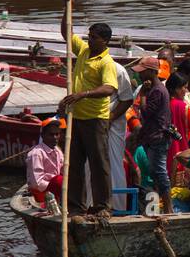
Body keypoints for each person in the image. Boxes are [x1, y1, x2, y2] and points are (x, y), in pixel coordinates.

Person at [58, 17, 118, 215]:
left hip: (95, 120)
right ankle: (76, 207)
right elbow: (66, 32)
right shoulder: (84, 51)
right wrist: (67, 6)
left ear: (104, 41)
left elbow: (109, 88)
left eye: (93, 37)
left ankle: (102, 206)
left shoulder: (106, 62)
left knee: (99, 165)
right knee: (74, 164)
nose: (89, 40)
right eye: (89, 36)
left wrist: (82, 94)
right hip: (76, 118)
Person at [84, 55, 136, 213]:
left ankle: (116, 208)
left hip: (112, 124)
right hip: (90, 122)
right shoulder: (86, 68)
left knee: (113, 164)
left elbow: (127, 99)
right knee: (89, 164)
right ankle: (89, 206)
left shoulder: (118, 70)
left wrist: (110, 118)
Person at [128, 56, 172, 214]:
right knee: (155, 173)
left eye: (143, 72)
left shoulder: (157, 91)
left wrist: (144, 94)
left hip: (158, 138)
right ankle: (158, 208)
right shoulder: (156, 88)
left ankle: (168, 208)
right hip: (153, 137)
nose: (140, 75)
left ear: (152, 72)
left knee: (160, 173)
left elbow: (146, 112)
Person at [26, 117, 65, 205]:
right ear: (43, 135)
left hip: (56, 190)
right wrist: (58, 186)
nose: (55, 137)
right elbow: (37, 184)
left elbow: (63, 171)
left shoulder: (58, 151)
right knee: (59, 180)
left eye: (57, 134)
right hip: (42, 193)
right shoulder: (36, 154)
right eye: (51, 134)